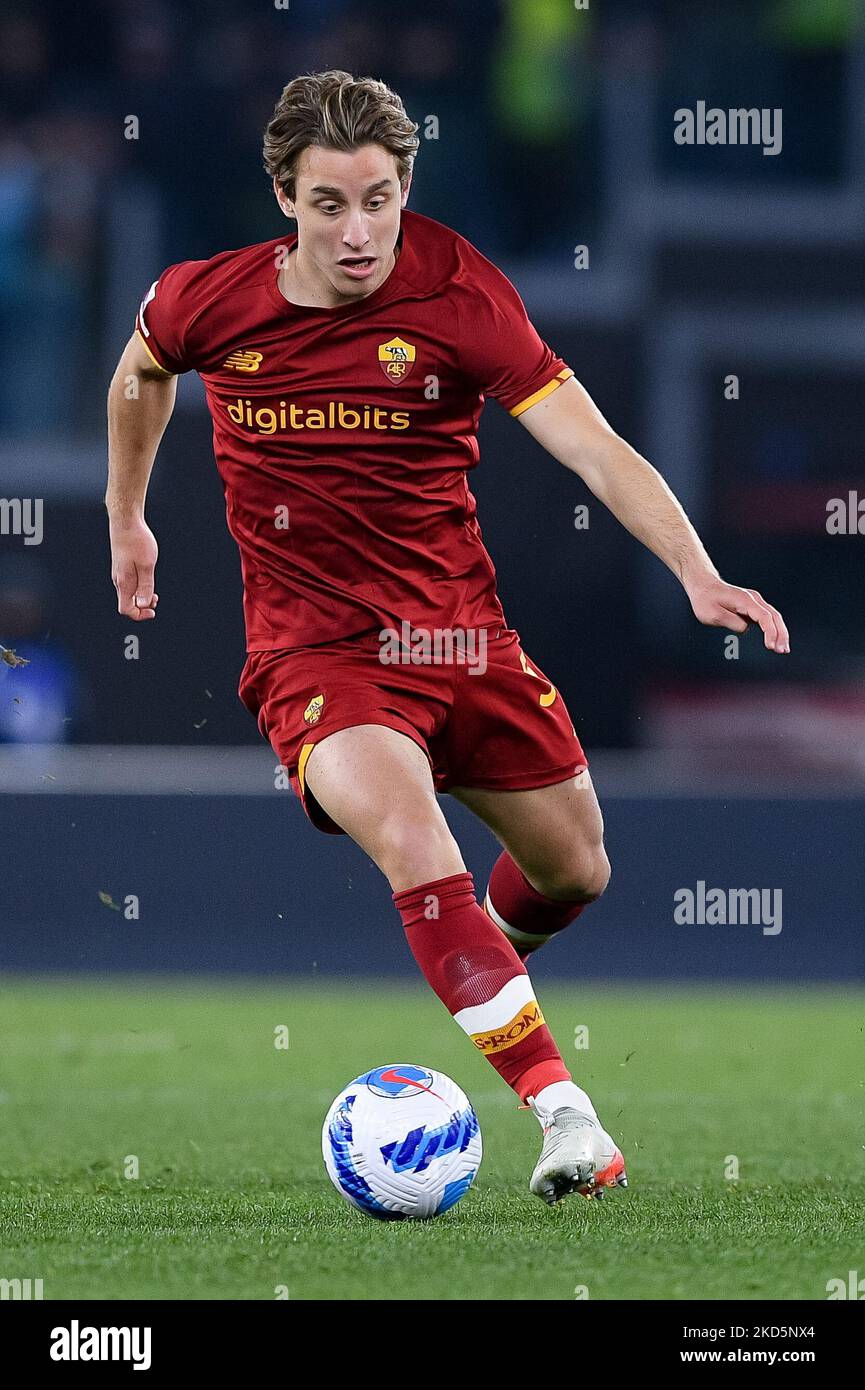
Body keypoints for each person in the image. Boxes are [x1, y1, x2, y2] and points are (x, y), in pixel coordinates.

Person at [106, 70, 789, 1206]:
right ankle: (564, 1114)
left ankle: (470, 972)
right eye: (329, 204)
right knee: (416, 841)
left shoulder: (462, 294)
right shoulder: (205, 301)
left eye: (378, 198)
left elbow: (594, 446)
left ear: (406, 185)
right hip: (314, 656)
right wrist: (127, 515)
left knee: (576, 867)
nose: (358, 230)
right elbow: (139, 373)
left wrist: (694, 567)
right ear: (284, 197)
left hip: (460, 643)